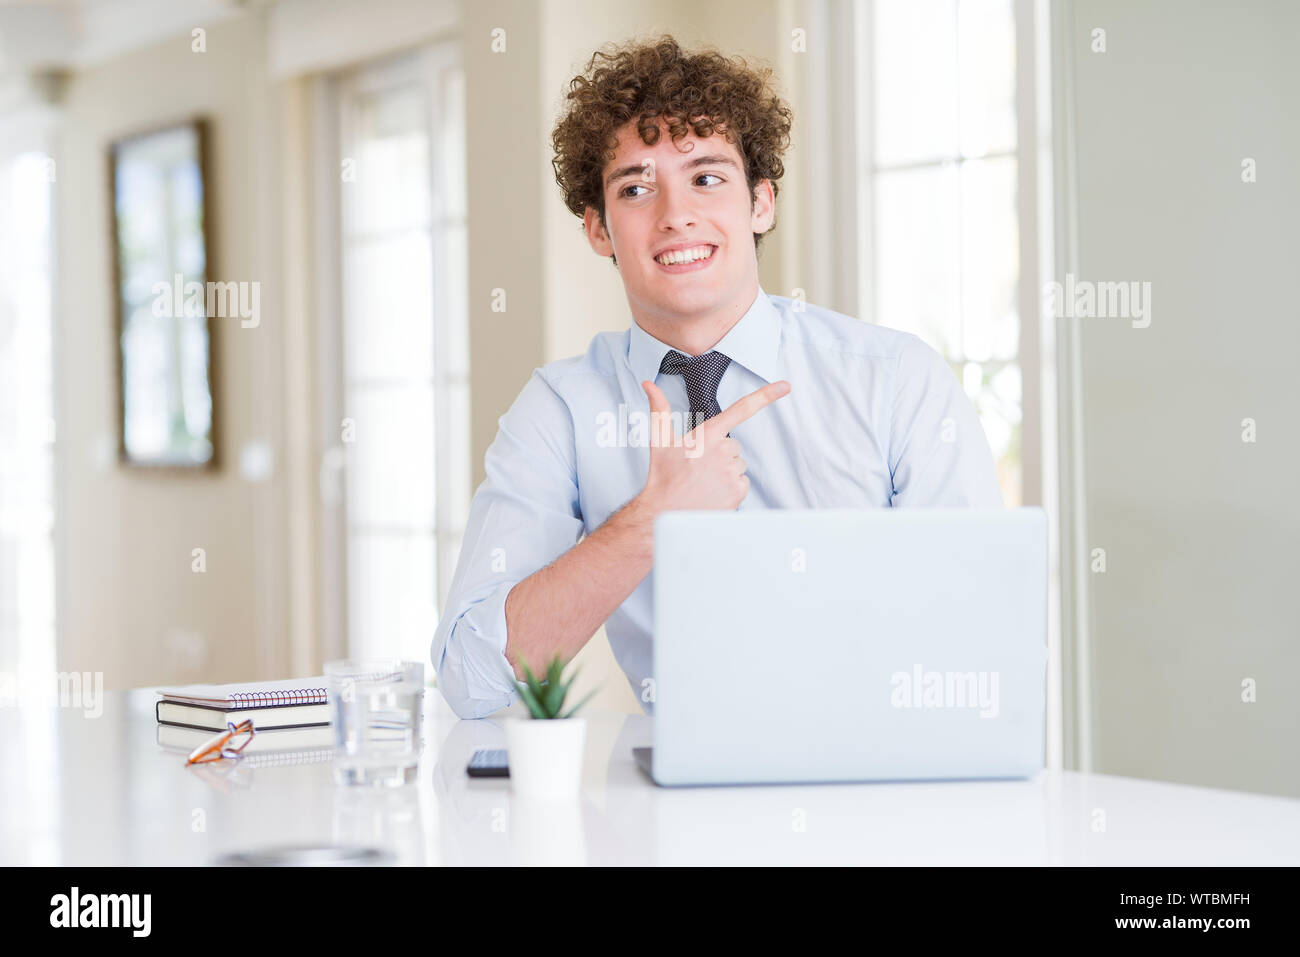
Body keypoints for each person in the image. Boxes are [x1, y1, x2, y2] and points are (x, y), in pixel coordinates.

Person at [432, 35, 1002, 719]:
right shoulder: (561, 410)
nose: (676, 215)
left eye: (706, 178)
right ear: (598, 230)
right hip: (665, 803)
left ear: (761, 203)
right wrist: (650, 521)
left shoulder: (895, 382)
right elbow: (471, 678)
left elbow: (983, 643)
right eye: (636, 188)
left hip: (876, 786)